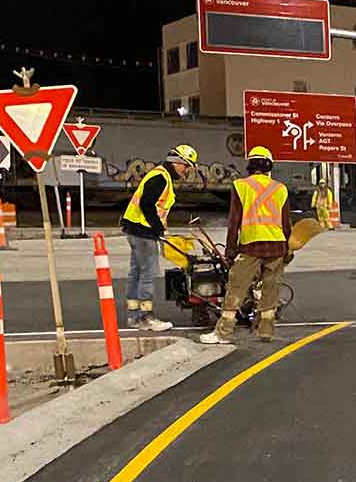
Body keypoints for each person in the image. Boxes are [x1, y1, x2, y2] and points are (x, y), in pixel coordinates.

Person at [199, 146, 293, 345]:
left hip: (251, 246)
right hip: (276, 246)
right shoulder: (280, 188)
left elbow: (234, 222)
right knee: (271, 289)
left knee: (236, 288)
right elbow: (286, 225)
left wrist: (230, 252)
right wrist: (288, 249)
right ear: (270, 166)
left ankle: (224, 332)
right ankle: (266, 331)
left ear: (250, 166)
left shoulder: (240, 186)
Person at [119, 144, 197, 331]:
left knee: (136, 273)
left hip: (135, 229)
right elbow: (147, 204)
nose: (186, 171)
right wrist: (157, 228)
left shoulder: (159, 174)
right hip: (143, 232)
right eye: (186, 167)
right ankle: (146, 318)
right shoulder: (161, 177)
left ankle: (134, 316)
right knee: (147, 274)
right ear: (178, 162)